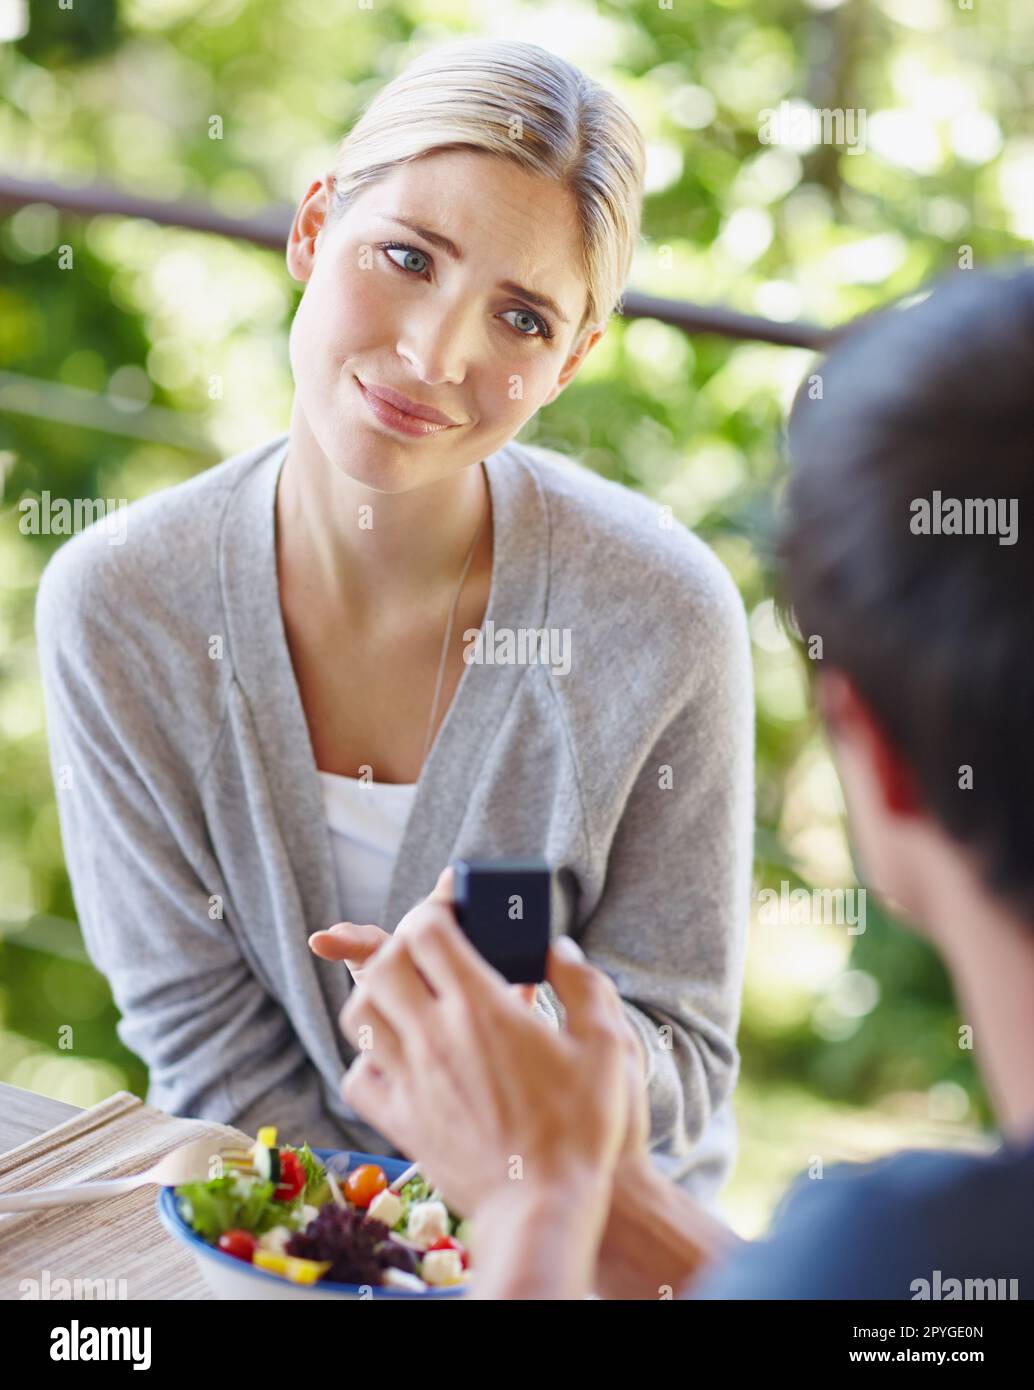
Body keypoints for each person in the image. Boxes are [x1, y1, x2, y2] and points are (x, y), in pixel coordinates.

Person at [34, 39, 754, 1199]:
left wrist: (527, 1036)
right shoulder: (120, 604)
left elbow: (682, 1058)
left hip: (584, 1242)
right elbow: (201, 1037)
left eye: (520, 320)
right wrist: (368, 1254)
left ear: (570, 360)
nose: (435, 353)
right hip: (277, 1235)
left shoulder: (658, 614)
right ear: (314, 228)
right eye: (407, 256)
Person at [334, 265, 1034, 1299]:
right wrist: (595, 1183)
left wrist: (536, 1209)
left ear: (873, 753)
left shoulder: (892, 1253)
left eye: (523, 316)